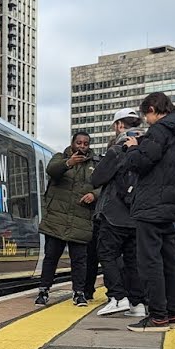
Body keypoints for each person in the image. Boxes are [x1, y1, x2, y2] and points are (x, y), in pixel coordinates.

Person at [124, 93, 175, 331]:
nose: (146, 120)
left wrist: (133, 149)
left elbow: (141, 163)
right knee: (170, 261)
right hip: (171, 203)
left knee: (149, 262)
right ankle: (173, 315)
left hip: (151, 204)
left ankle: (157, 316)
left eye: (146, 115)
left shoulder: (159, 130)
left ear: (153, 109)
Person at [91, 108, 146, 317]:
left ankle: (117, 297)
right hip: (138, 215)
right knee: (133, 260)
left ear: (119, 125)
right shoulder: (148, 148)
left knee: (107, 254)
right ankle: (137, 304)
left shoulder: (117, 149)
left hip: (114, 214)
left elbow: (96, 179)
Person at [35, 132, 100, 307]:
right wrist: (68, 163)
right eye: (79, 142)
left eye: (85, 143)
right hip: (56, 219)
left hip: (81, 220)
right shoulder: (60, 157)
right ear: (72, 143)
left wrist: (94, 195)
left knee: (79, 260)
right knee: (51, 257)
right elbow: (51, 170)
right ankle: (43, 291)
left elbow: (104, 186)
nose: (82, 146)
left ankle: (79, 293)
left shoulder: (96, 165)